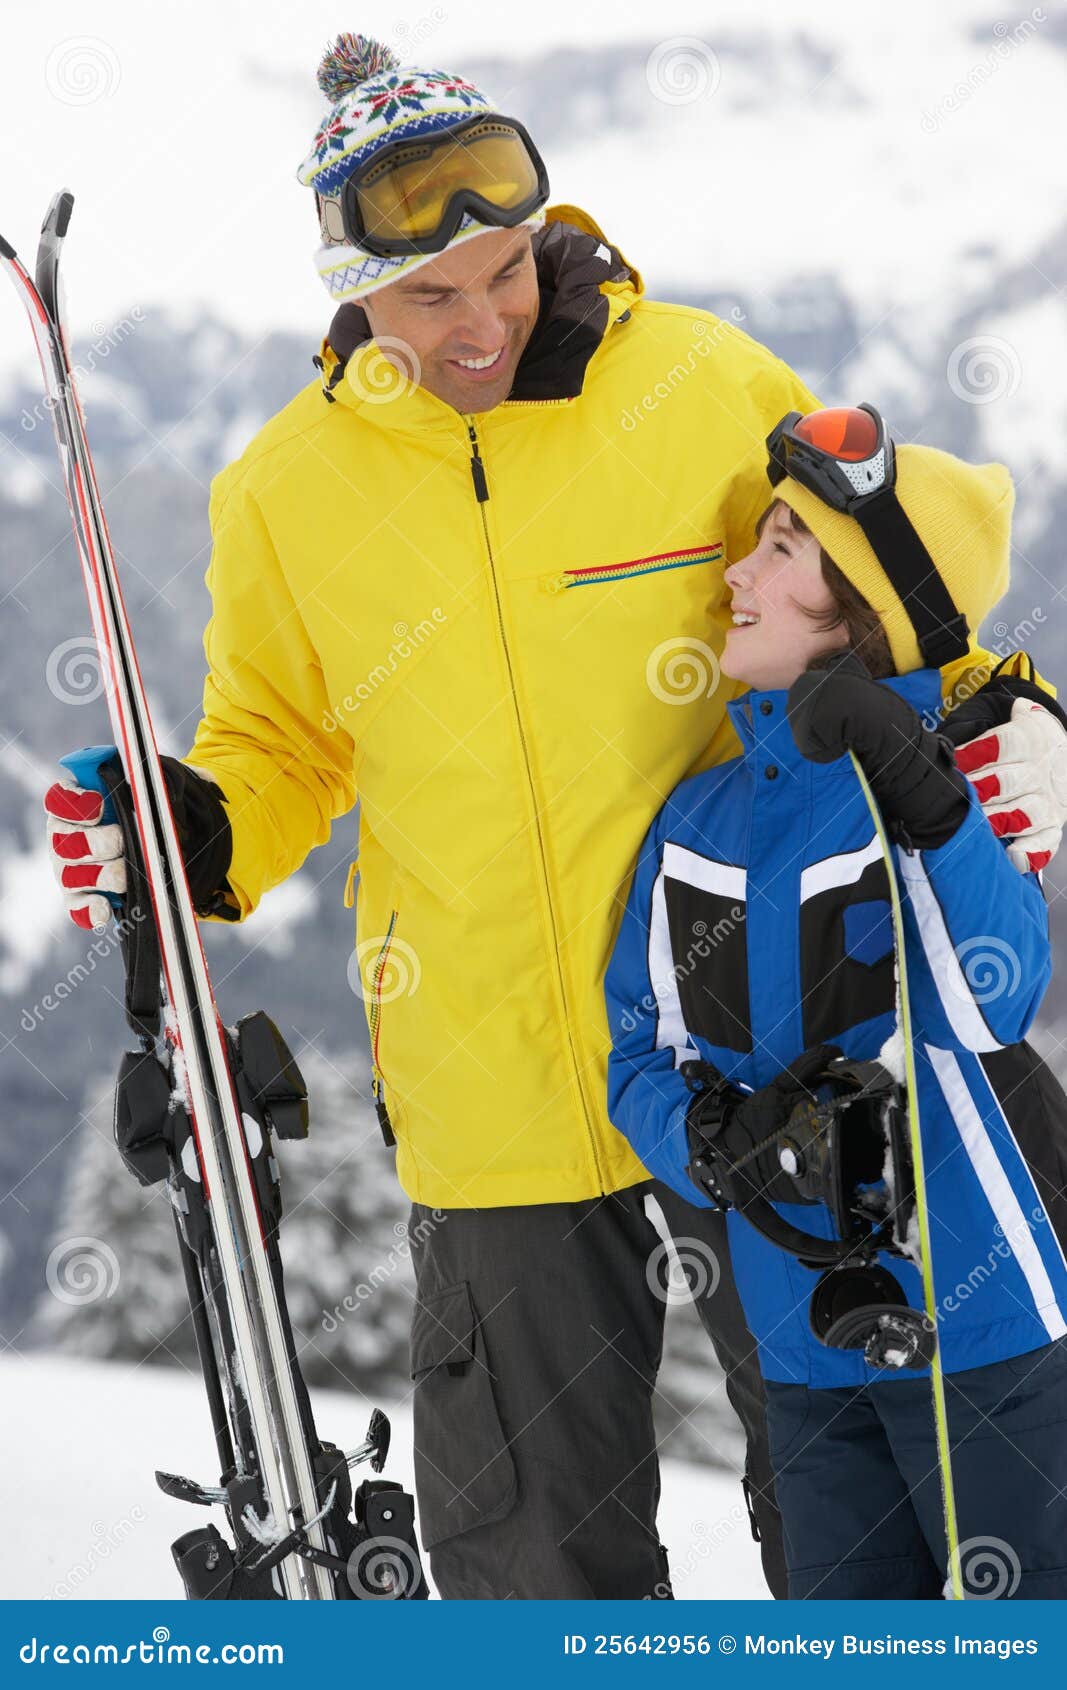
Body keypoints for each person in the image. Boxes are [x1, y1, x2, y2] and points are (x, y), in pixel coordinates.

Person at [41, 36, 1067, 1599]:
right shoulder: (283, 490)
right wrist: (200, 826)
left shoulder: (702, 388)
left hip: (773, 1072)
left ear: (543, 230)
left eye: (502, 271)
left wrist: (1011, 708)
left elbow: (873, 588)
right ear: (350, 289)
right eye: (429, 296)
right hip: (489, 1095)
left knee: (852, 1544)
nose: (479, 322)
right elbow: (279, 740)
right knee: (533, 1566)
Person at [604, 404, 1067, 1598]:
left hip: (989, 1330)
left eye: (778, 549)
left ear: (859, 609)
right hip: (801, 1344)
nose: (734, 572)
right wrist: (711, 1139)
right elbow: (639, 1050)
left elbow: (992, 999)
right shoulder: (694, 824)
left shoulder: (959, 774)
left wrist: (926, 796)